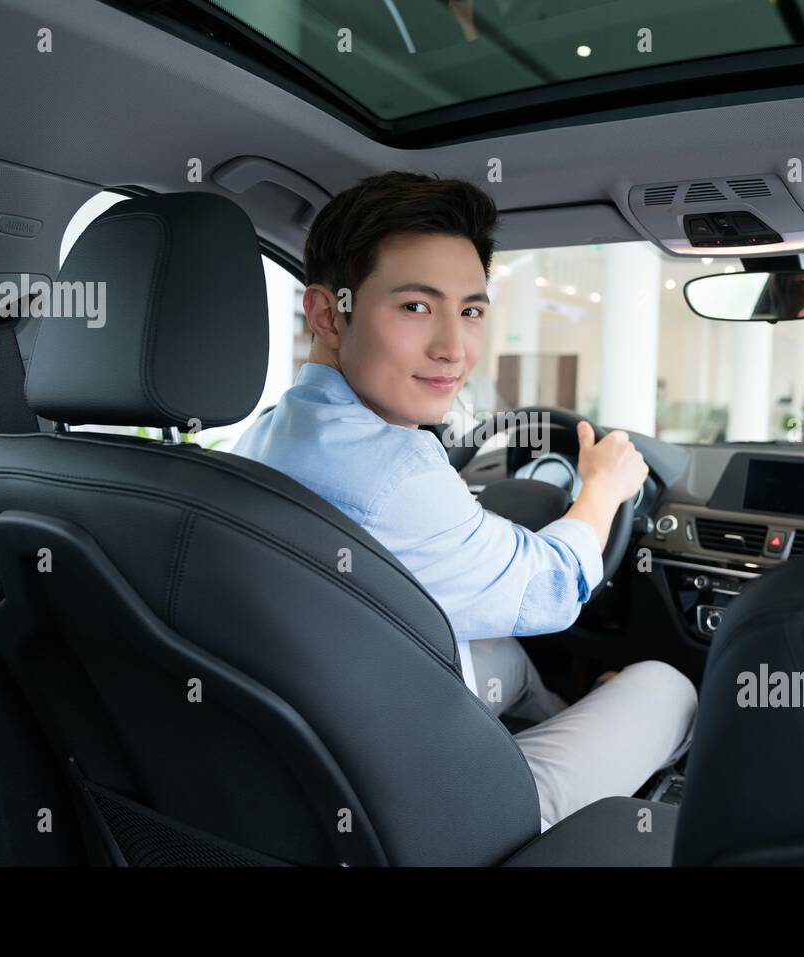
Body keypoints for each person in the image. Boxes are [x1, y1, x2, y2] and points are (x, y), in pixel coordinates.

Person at [232, 171, 696, 829]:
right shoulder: (397, 469)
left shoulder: (267, 431)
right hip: (427, 817)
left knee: (502, 644)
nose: (455, 349)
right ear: (326, 312)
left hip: (295, 761)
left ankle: (567, 720)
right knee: (667, 685)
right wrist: (603, 489)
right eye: (416, 307)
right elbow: (556, 587)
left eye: (471, 310)